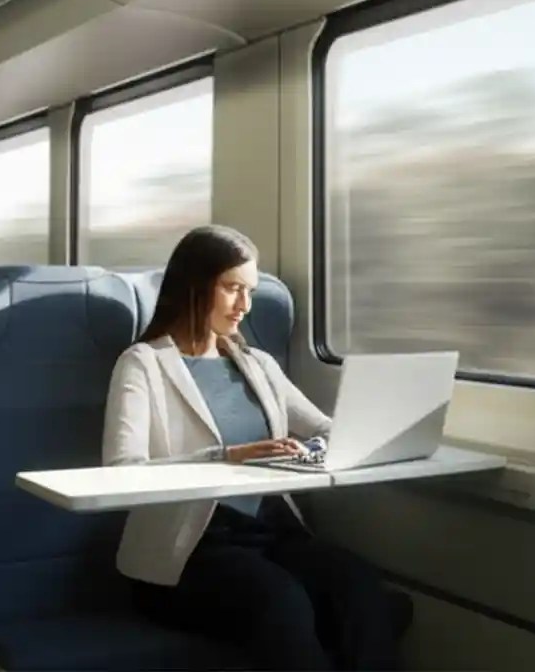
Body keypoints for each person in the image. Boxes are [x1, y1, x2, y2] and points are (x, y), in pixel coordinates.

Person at [101, 225, 399, 670]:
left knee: (357, 585)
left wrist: (386, 431)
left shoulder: (255, 363)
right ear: (194, 285)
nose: (245, 305)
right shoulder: (142, 363)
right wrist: (224, 458)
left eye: (250, 291)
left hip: (273, 534)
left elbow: (324, 426)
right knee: (283, 603)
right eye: (232, 289)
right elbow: (122, 468)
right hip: (189, 553)